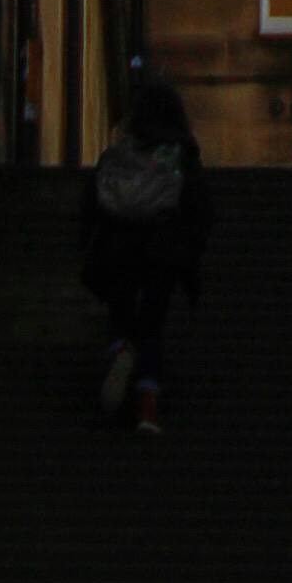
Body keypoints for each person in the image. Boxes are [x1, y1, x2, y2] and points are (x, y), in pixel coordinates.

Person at [79, 75, 209, 430]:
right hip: (162, 251)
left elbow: (92, 201)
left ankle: (121, 350)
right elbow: (198, 208)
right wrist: (192, 252)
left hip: (118, 246)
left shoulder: (119, 153)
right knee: (152, 323)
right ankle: (148, 407)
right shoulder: (183, 153)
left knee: (121, 313)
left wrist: (86, 245)